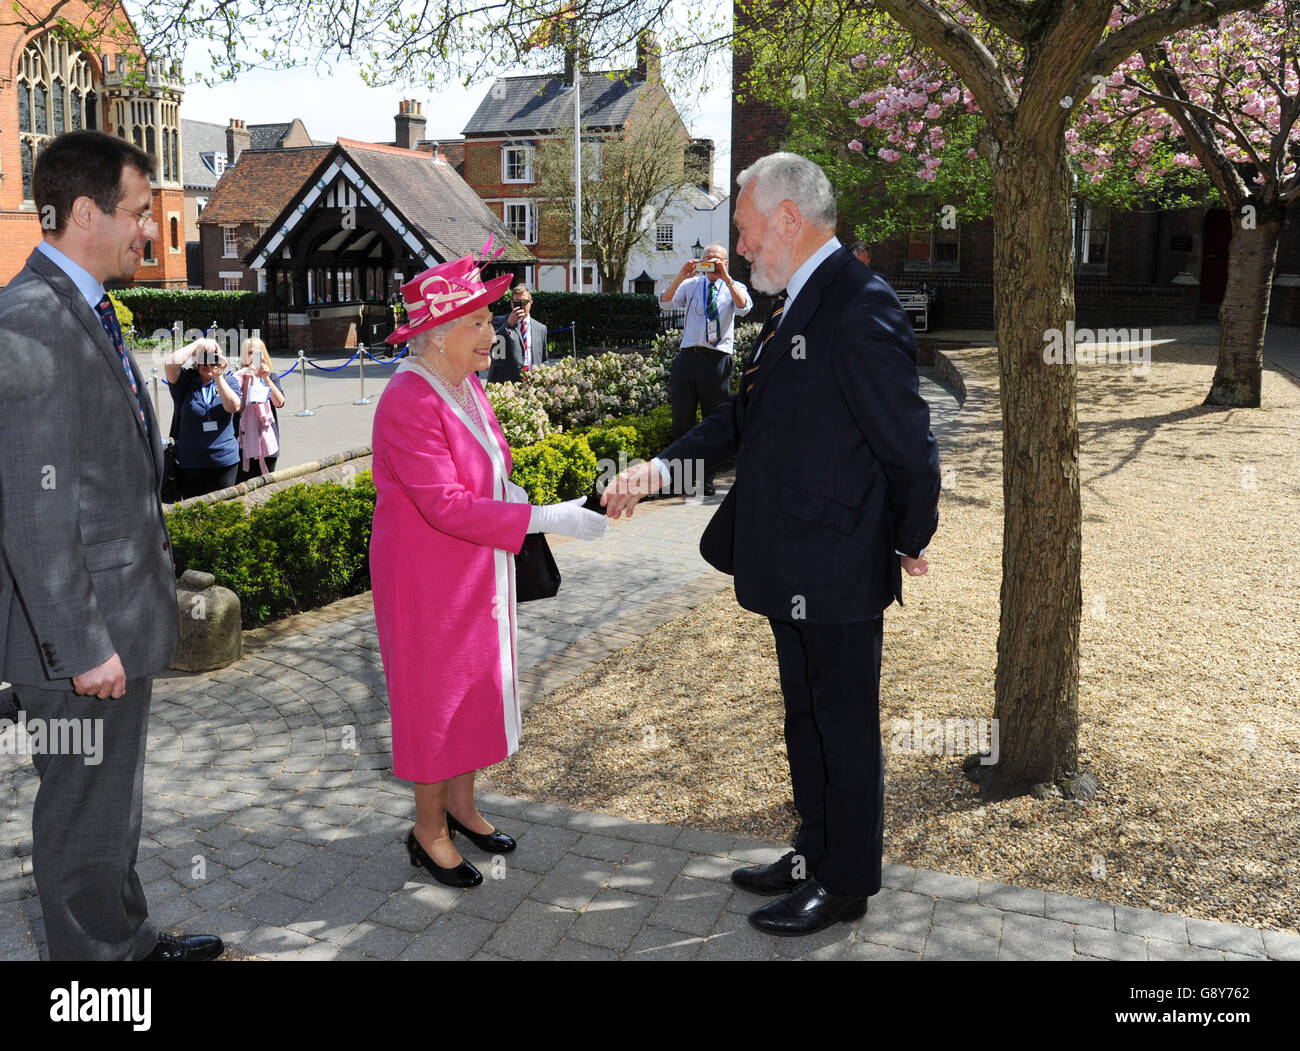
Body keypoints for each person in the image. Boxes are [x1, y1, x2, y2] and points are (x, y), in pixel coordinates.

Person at [603, 152, 941, 937]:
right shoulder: (798, 302)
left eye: (748, 230)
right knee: (805, 716)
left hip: (841, 563)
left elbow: (910, 445)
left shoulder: (858, 305)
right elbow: (746, 419)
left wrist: (906, 539)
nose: (743, 246)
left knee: (843, 725)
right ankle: (814, 849)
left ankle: (847, 881)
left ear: (789, 219)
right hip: (793, 560)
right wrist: (659, 468)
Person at [0, 130, 223, 960]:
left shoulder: (77, 306)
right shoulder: (29, 322)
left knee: (108, 808)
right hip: (76, 650)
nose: (147, 230)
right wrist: (86, 643)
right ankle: (95, 984)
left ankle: (126, 942)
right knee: (79, 816)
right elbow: (30, 505)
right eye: (136, 213)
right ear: (85, 212)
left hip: (109, 630)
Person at [371, 256, 607, 888]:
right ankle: (427, 832)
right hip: (427, 580)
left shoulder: (464, 382)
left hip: (476, 570)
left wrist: (530, 500)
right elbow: (442, 503)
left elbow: (489, 472)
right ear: (439, 332)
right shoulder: (406, 396)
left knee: (476, 687)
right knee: (433, 699)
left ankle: (462, 806)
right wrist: (544, 518)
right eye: (478, 321)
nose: (493, 331)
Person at [659, 244, 752, 496]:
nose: (711, 263)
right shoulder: (691, 285)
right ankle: (679, 479)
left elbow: (744, 307)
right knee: (682, 421)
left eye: (716, 259)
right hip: (689, 358)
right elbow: (665, 303)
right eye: (707, 259)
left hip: (717, 360)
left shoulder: (734, 286)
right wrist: (682, 275)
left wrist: (727, 278)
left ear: (725, 262)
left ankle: (706, 479)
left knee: (713, 422)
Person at [163, 336, 242, 498]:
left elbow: (233, 406)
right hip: (190, 462)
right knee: (194, 513)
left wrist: (218, 375)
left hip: (223, 461)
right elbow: (170, 364)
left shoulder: (229, 381)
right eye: (203, 358)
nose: (208, 363)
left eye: (212, 358)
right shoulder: (185, 382)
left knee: (224, 511)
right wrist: (198, 344)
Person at [233, 336, 285, 480]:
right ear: (244, 355)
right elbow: (237, 407)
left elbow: (279, 402)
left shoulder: (271, 377)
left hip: (268, 443)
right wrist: (248, 378)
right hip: (244, 445)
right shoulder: (237, 378)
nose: (254, 357)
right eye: (250, 353)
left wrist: (266, 379)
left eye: (258, 353)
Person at [487, 284, 548, 383]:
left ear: (531, 302)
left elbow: (544, 359)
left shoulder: (541, 328)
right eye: (517, 302)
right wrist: (508, 325)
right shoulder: (499, 322)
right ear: (511, 304)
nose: (522, 305)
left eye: (525, 302)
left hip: (532, 383)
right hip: (506, 384)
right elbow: (493, 348)